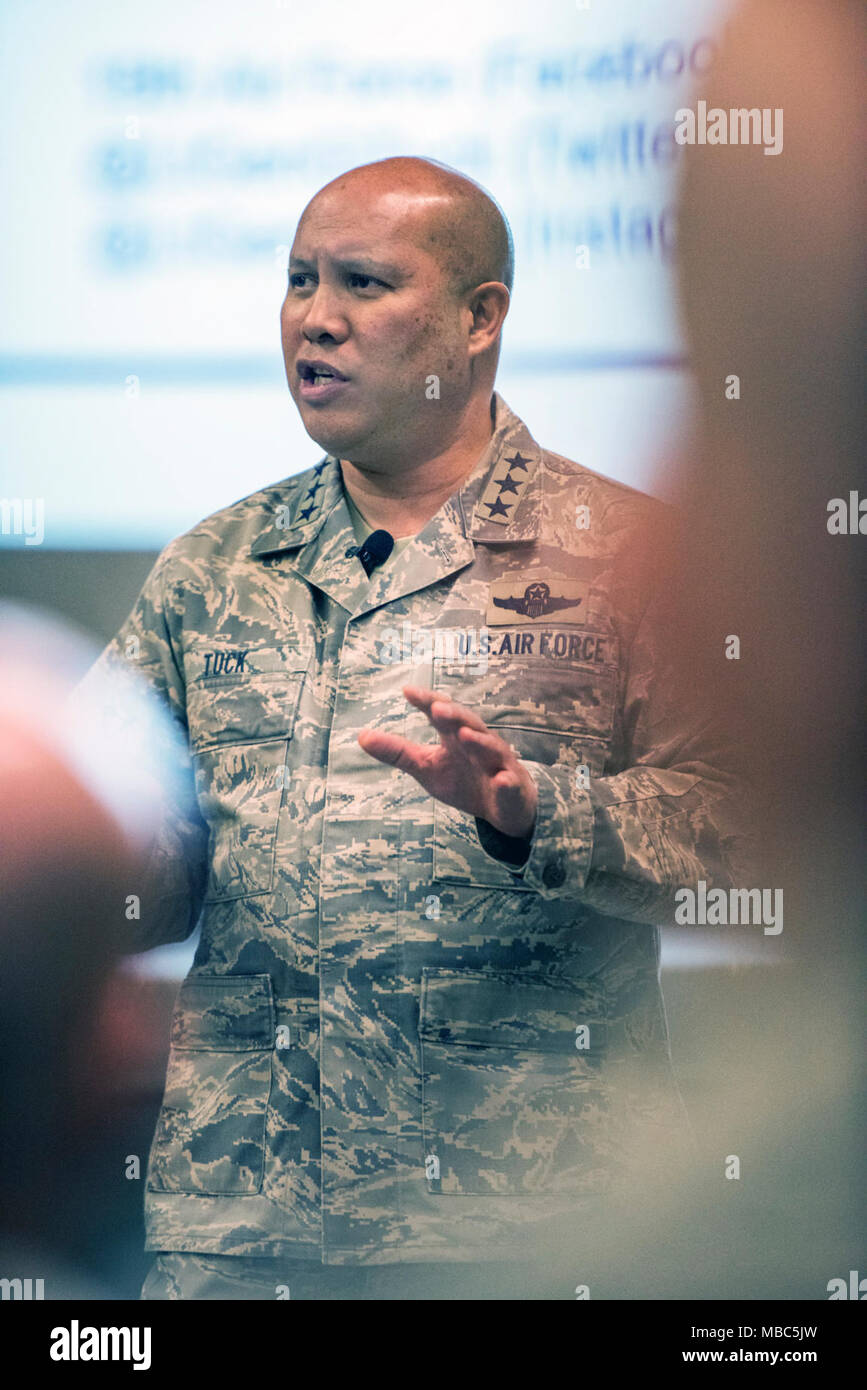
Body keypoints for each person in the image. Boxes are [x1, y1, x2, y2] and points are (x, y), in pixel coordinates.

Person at [75, 156, 744, 1300]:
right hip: (246, 1222)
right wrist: (71, 853)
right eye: (297, 280)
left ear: (480, 318)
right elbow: (135, 860)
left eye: (364, 283)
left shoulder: (628, 555)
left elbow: (747, 829)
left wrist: (540, 815)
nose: (315, 320)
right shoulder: (214, 565)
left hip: (536, 1226)